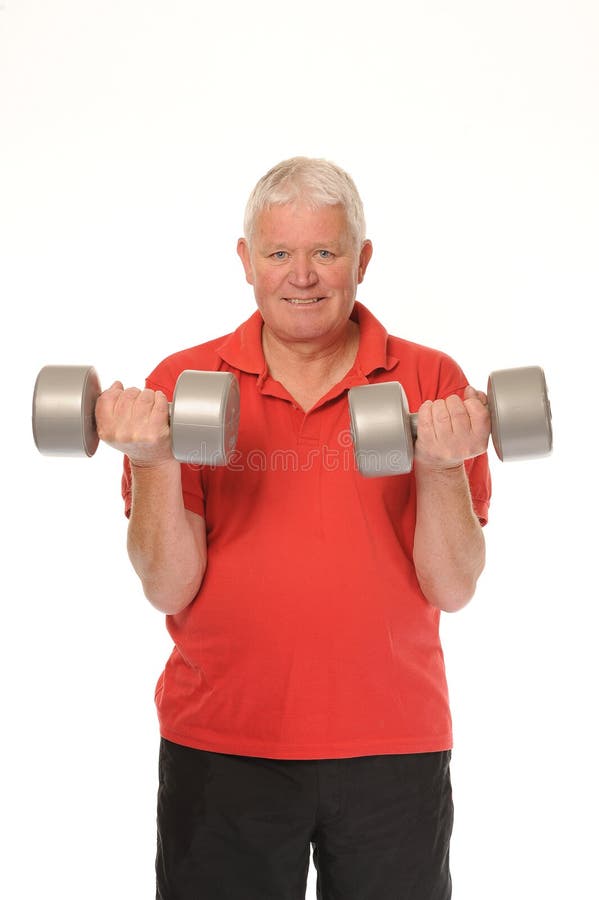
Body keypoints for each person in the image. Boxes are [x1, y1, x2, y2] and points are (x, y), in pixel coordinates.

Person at [96, 157, 492, 900]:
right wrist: (151, 459)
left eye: (324, 252)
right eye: (279, 253)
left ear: (361, 260)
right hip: (223, 747)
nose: (301, 276)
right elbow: (166, 584)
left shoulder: (433, 385)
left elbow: (452, 585)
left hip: (392, 747)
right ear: (246, 262)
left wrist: (441, 466)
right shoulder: (184, 383)